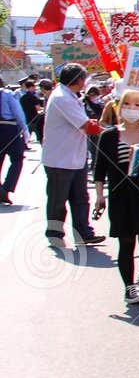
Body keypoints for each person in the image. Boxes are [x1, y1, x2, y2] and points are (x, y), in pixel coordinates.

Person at [92, 89, 139, 308]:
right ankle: (129, 287)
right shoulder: (109, 135)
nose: (132, 109)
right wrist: (99, 196)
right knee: (126, 243)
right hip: (121, 195)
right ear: (120, 106)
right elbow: (99, 169)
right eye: (128, 104)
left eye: (138, 105)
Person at [42, 64, 104, 248]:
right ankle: (54, 233)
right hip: (60, 159)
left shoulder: (69, 96)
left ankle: (84, 233)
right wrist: (111, 133)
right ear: (78, 80)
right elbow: (87, 126)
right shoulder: (62, 98)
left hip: (74, 156)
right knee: (57, 200)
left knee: (80, 198)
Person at [0, 81, 27, 204]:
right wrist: (25, 130)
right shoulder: (8, 94)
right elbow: (18, 113)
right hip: (9, 127)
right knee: (17, 159)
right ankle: (6, 187)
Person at [17, 77, 42, 147]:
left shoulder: (22, 97)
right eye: (34, 86)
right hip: (34, 118)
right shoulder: (33, 97)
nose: (35, 88)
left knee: (27, 132)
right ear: (31, 87)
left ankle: (24, 144)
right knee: (39, 134)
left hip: (26, 117)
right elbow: (38, 108)